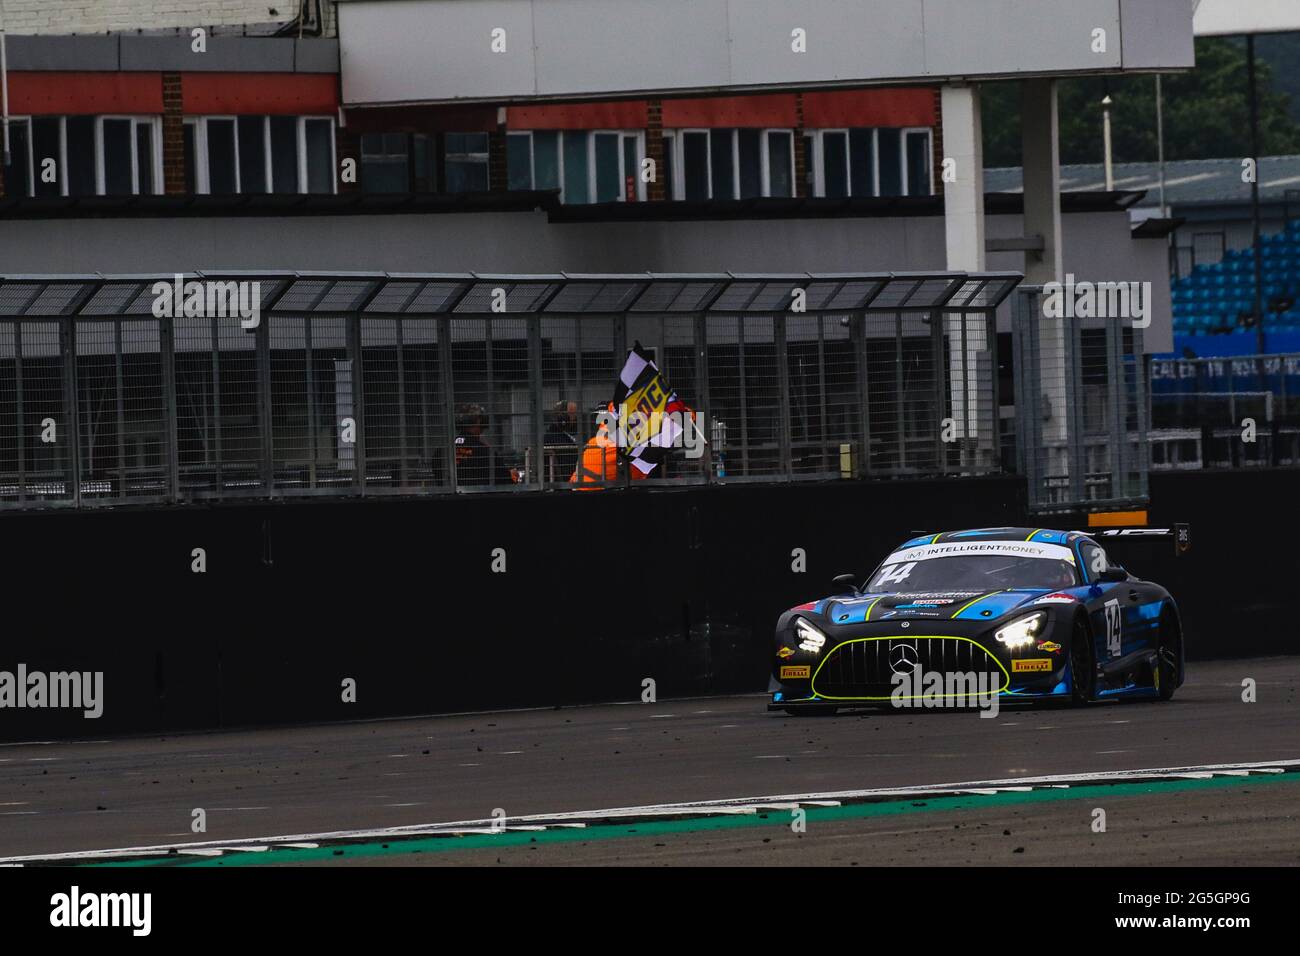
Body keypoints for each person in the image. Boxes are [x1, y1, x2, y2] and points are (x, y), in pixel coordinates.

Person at [454, 403, 516, 486]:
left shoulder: (445, 450)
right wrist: (511, 474)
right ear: (478, 420)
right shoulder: (484, 451)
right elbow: (504, 479)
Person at [544, 400, 580, 482]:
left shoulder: (565, 436)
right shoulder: (554, 439)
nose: (575, 418)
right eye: (572, 414)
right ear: (563, 418)